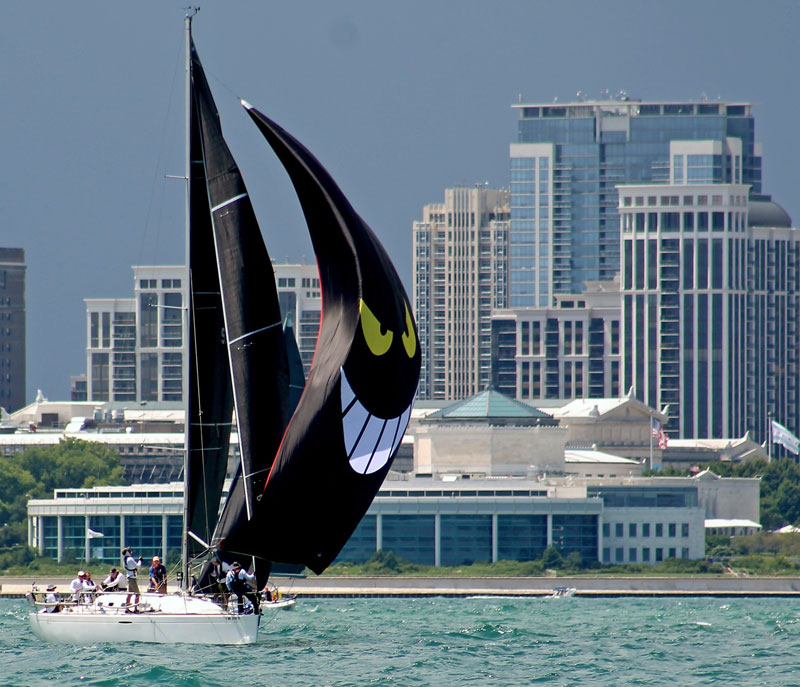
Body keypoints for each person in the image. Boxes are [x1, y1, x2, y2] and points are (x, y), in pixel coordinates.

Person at [122, 546, 143, 611]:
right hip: (132, 578)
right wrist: (140, 560)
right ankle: (135, 608)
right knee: (137, 594)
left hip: (129, 577)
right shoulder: (130, 559)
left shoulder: (125, 559)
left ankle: (127, 608)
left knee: (130, 593)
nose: (131, 552)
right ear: (128, 552)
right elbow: (138, 566)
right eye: (130, 551)